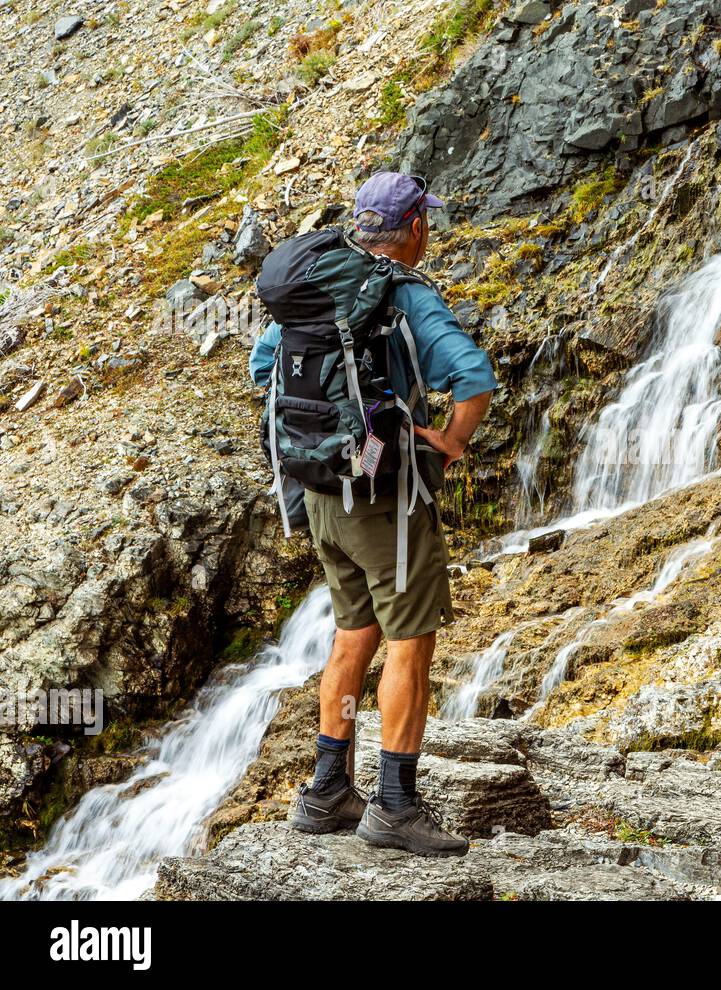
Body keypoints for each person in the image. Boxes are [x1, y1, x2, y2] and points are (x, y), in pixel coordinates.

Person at [249, 172, 495, 856]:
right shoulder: (402, 293)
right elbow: (473, 378)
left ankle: (327, 790)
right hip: (383, 502)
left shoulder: (316, 295)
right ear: (415, 226)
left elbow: (260, 369)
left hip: (318, 493)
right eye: (427, 221)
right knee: (410, 642)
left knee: (353, 633)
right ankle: (394, 804)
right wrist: (447, 440)